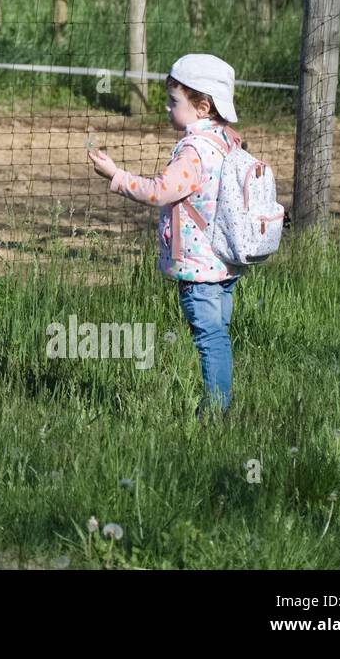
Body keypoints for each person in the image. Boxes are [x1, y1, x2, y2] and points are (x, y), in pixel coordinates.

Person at [87, 54, 244, 421]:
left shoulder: (194, 151)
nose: (166, 108)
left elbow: (159, 192)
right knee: (218, 332)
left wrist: (116, 175)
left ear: (203, 106)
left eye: (175, 102)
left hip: (198, 264)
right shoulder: (229, 141)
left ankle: (216, 411)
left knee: (209, 338)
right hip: (226, 259)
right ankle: (220, 404)